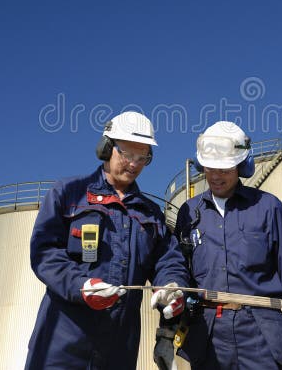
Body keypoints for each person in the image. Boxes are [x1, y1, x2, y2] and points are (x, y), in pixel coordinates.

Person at [25, 111, 188, 370]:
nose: (134, 164)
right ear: (106, 148)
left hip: (118, 350)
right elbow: (44, 253)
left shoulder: (151, 215)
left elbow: (168, 261)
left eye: (142, 157)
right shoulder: (68, 194)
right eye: (126, 154)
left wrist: (171, 286)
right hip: (62, 345)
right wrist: (80, 285)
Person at [171, 121, 282, 370]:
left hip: (262, 336)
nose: (215, 176)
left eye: (223, 169)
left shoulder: (267, 207)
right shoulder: (189, 212)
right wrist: (166, 327)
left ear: (241, 166)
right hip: (207, 336)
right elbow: (178, 269)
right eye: (210, 168)